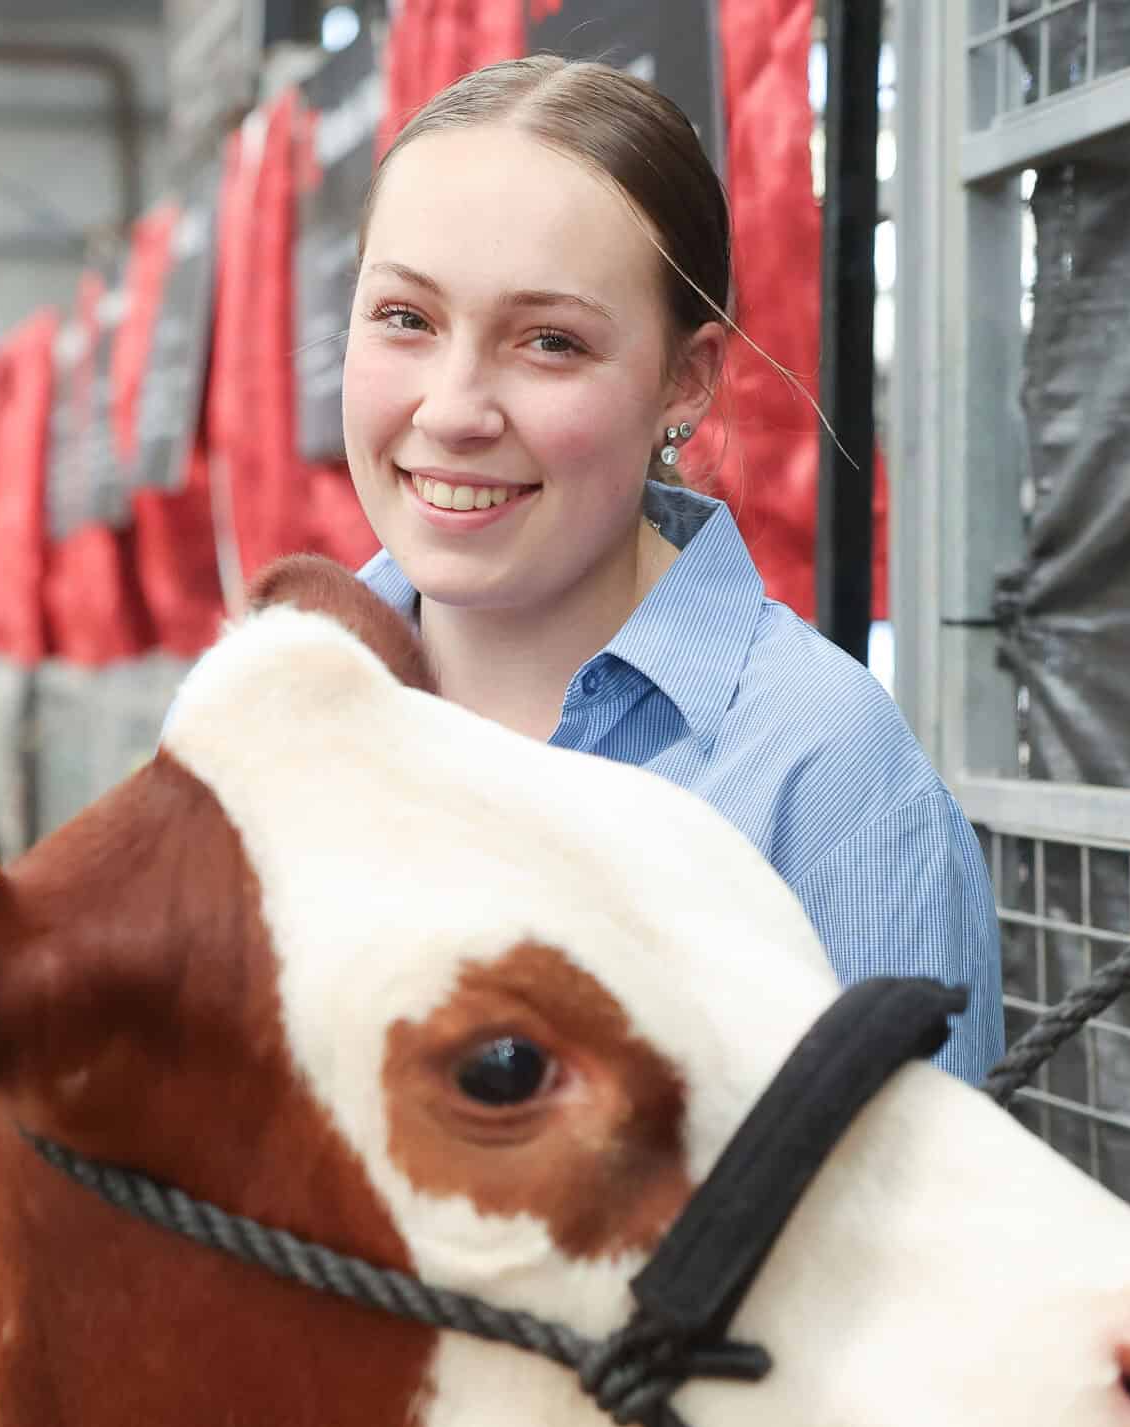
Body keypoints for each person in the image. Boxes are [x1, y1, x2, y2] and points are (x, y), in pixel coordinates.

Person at [342, 54, 1004, 1087]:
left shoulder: (822, 782)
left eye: (549, 341)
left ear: (684, 382)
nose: (454, 410)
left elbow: (917, 1189)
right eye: (406, 319)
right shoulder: (273, 703)